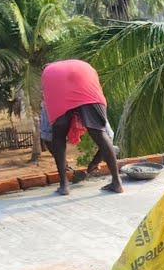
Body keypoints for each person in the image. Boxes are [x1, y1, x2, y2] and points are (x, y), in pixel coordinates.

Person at [40, 59, 123, 195]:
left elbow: (48, 136)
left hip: (65, 79)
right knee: (99, 133)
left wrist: (62, 161)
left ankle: (64, 185)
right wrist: (95, 163)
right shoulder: (81, 69)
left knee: (58, 134)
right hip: (85, 75)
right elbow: (108, 136)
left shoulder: (49, 77)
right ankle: (117, 183)